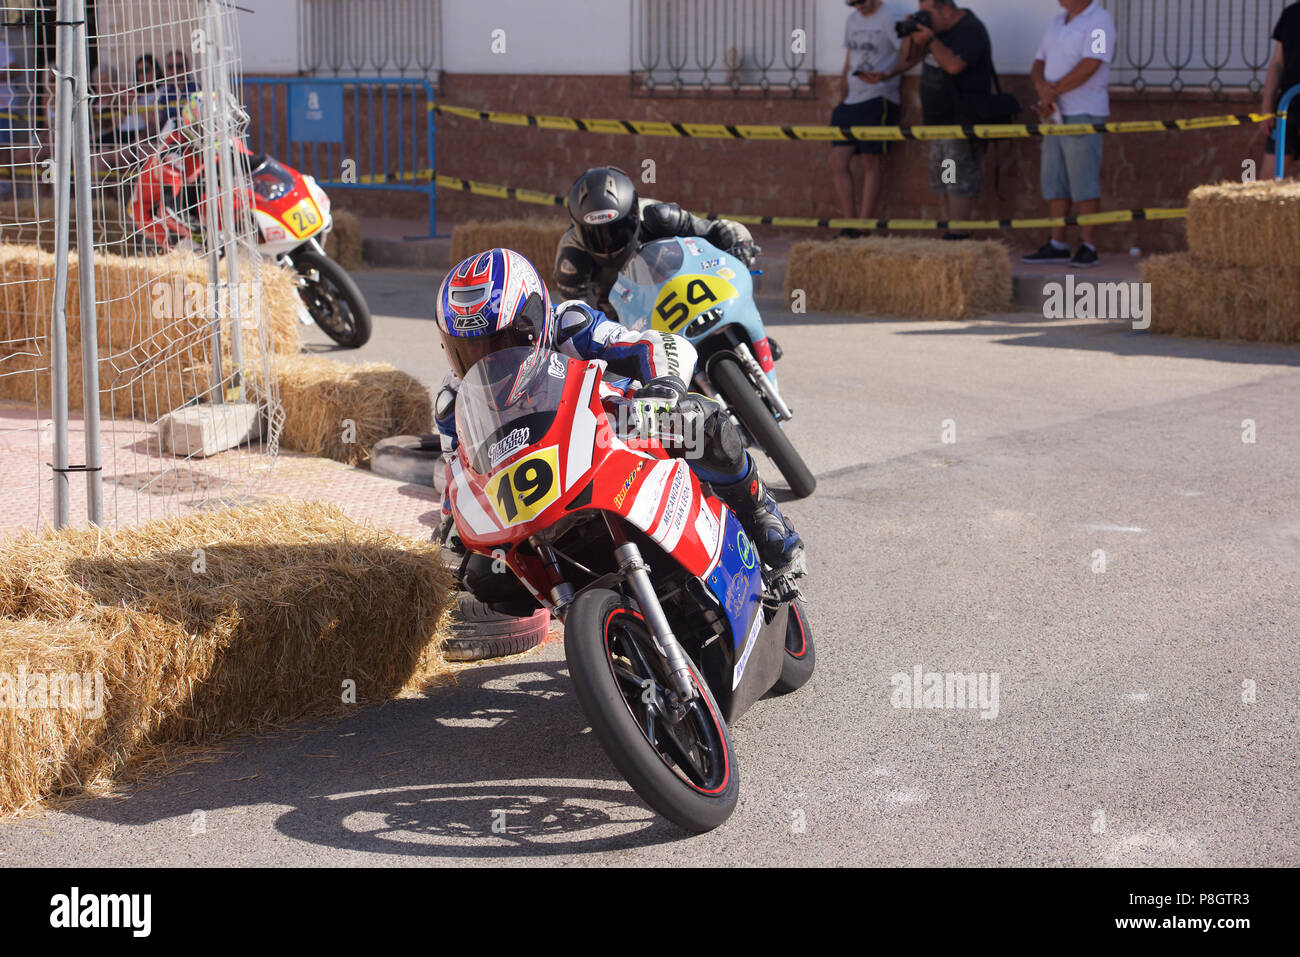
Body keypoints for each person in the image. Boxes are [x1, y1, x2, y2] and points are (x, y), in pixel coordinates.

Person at [435, 248, 806, 608]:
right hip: (539, 487)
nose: (488, 360)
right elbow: (458, 473)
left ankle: (761, 514)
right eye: (469, 350)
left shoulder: (569, 326)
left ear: (533, 321)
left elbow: (655, 344)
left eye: (499, 342)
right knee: (484, 575)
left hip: (618, 430)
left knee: (697, 423)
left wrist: (664, 387)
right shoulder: (454, 401)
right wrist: (452, 522)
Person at [554, 166, 759, 315]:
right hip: (622, 324)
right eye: (595, 234)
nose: (607, 242)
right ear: (576, 226)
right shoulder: (571, 258)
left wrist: (740, 244)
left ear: (633, 216)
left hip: (682, 297)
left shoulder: (659, 217)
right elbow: (576, 316)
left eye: (616, 230)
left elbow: (716, 229)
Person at [876, 0, 995, 240]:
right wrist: (910, 33)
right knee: (943, 177)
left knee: (958, 177)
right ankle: (950, 229)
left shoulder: (971, 29)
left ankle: (959, 232)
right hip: (937, 118)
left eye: (927, 12)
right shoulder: (938, 31)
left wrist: (930, 39)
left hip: (960, 118)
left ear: (947, 9)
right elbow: (909, 58)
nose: (924, 16)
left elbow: (953, 65)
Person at [1022, 0, 1116, 269]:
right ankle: (1057, 243)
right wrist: (1042, 89)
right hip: (1054, 114)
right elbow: (1039, 61)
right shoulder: (1057, 22)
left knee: (1083, 180)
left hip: (1083, 112)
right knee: (1055, 179)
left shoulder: (1100, 21)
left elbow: (1093, 62)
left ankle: (1088, 245)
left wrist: (1056, 90)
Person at [830, 0, 902, 237]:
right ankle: (850, 223)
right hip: (852, 100)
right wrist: (842, 93)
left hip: (879, 96)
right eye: (852, 3)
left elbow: (908, 51)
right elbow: (849, 59)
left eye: (860, 2)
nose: (857, 7)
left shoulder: (891, 16)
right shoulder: (853, 19)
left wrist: (888, 74)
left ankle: (864, 225)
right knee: (837, 160)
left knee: (871, 163)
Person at [1261, 2, 1300, 173]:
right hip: (1287, 109)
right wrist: (1267, 107)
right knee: (1267, 185)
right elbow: (1277, 63)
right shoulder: (1291, 13)